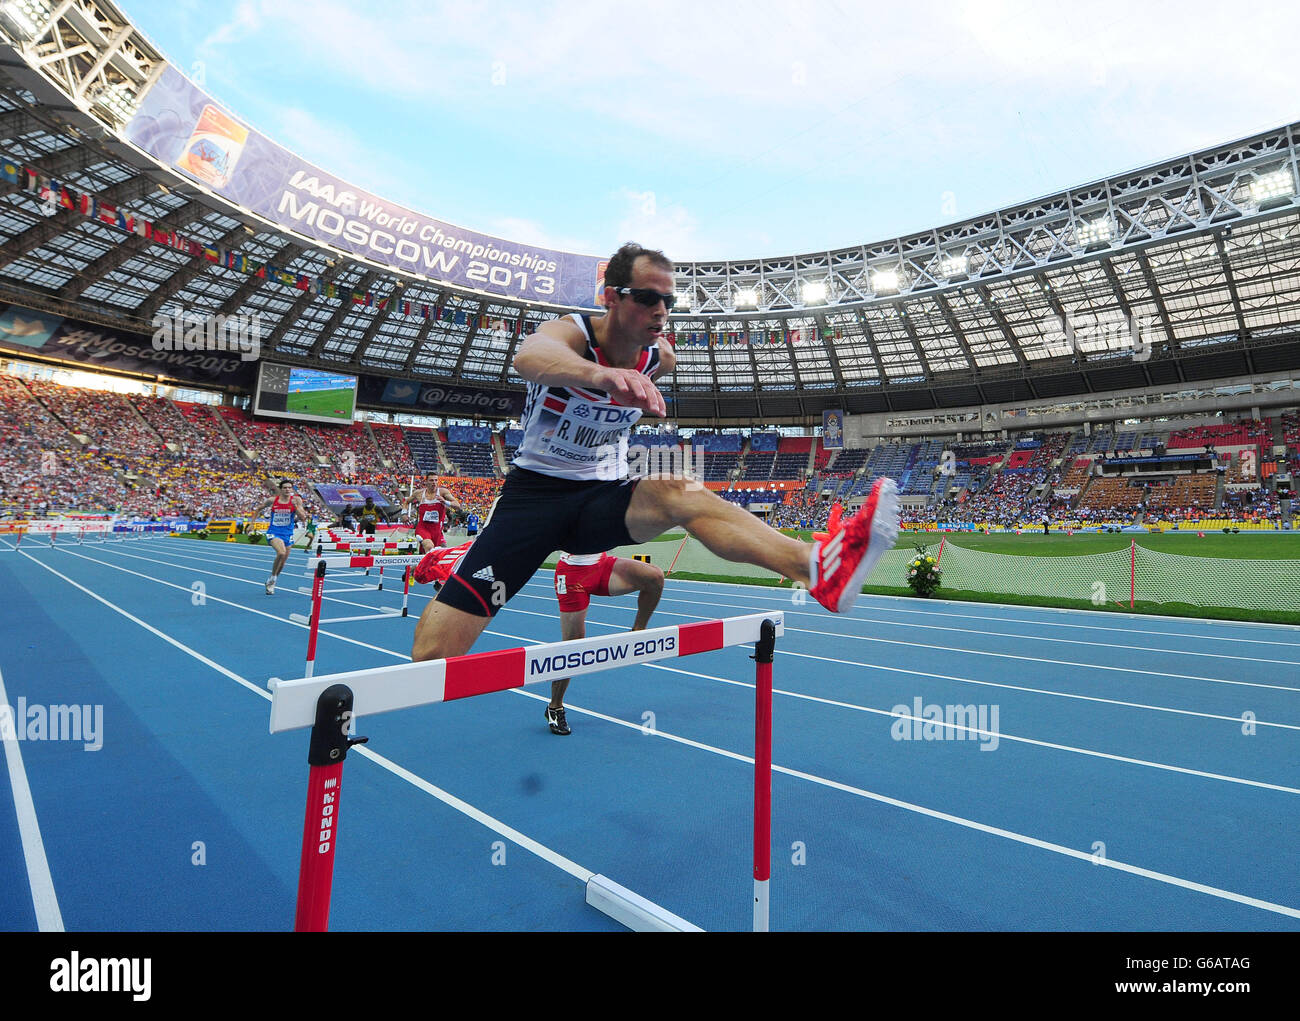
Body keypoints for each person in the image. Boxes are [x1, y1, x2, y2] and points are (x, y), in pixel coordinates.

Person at [411, 242, 900, 664]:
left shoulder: (660, 357)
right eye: (647, 298)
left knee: (676, 487)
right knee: (433, 656)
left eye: (668, 300)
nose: (661, 311)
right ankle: (456, 571)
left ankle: (817, 569)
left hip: (599, 497)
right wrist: (602, 376)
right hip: (532, 501)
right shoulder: (571, 334)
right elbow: (529, 357)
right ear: (611, 297)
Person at [545, 552, 664, 736]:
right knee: (572, 646)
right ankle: (555, 706)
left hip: (602, 566)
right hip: (572, 576)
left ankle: (638, 631)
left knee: (654, 577)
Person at [251, 478, 309, 595]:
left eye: (289, 488)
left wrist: (296, 507)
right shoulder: (272, 500)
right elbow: (258, 509)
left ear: (292, 489)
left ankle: (272, 580)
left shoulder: (296, 500)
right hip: (274, 531)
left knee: (282, 562)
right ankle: (272, 580)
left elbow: (303, 517)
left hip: (288, 533)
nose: (287, 490)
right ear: (280, 489)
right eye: (285, 488)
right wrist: (251, 524)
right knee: (281, 553)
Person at [406, 477, 463, 553]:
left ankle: (421, 563)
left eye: (436, 480)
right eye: (431, 480)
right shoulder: (419, 493)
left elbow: (457, 506)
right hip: (423, 527)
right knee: (429, 547)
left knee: (441, 551)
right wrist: (404, 513)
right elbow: (406, 502)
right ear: (426, 482)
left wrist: (445, 502)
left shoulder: (443, 493)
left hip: (437, 530)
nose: (434, 482)